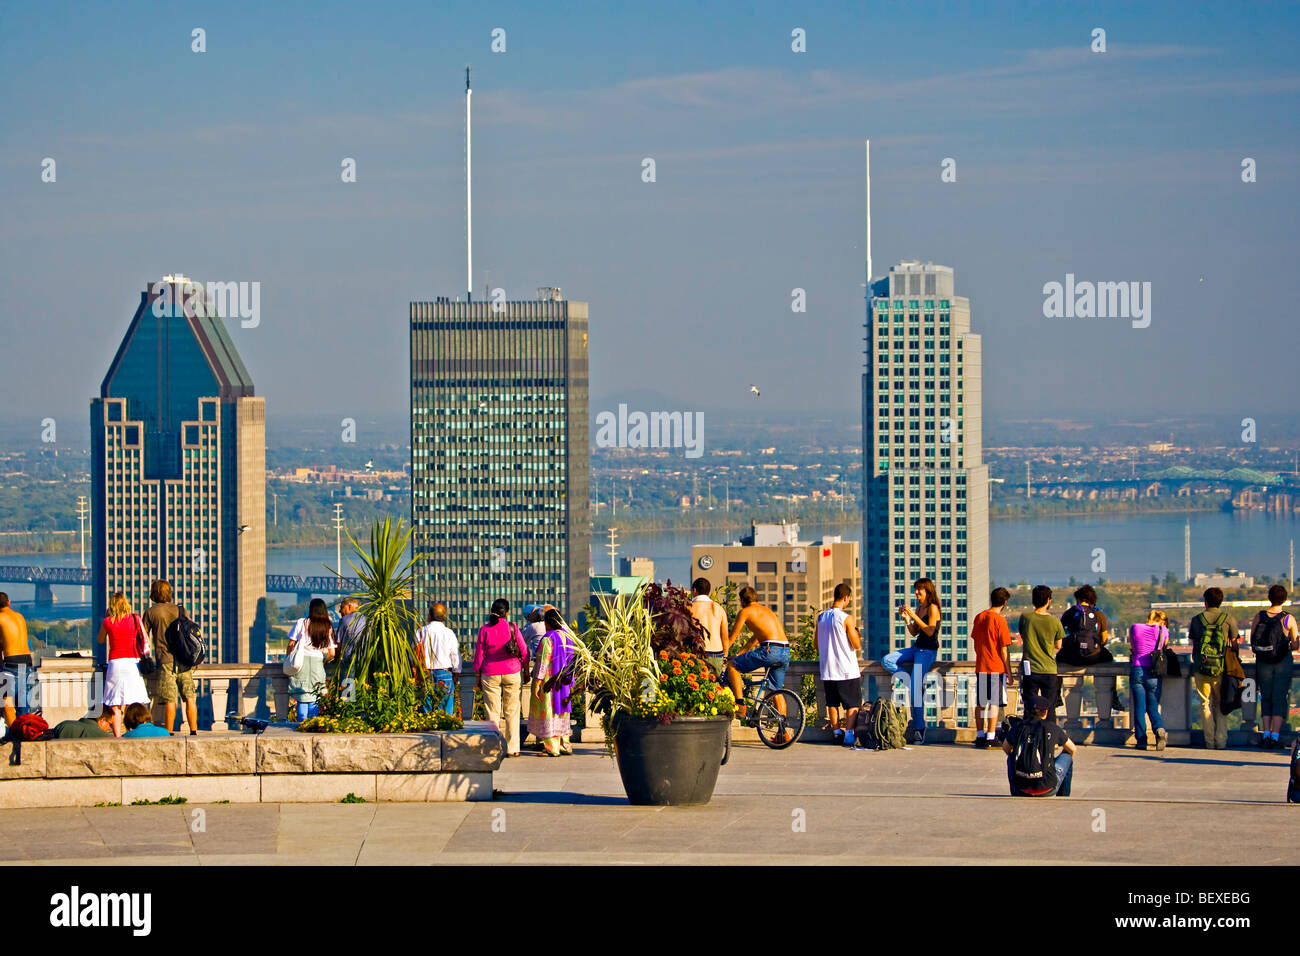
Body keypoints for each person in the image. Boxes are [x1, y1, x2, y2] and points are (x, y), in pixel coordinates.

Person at [881, 577, 942, 744]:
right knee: (887, 660)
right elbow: (914, 632)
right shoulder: (920, 608)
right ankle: (913, 681)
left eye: (919, 590)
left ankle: (919, 728)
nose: (916, 593)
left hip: (927, 651)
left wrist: (914, 615)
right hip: (916, 648)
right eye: (916, 590)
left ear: (927, 591)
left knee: (916, 690)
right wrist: (907, 619)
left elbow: (930, 631)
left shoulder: (933, 608)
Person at [724, 586, 792, 732]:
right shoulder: (766, 610)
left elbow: (731, 638)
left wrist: (723, 654)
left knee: (732, 666)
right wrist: (740, 653)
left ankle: (740, 705)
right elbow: (755, 638)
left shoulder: (745, 612)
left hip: (770, 649)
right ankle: (783, 733)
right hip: (785, 650)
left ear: (742, 600)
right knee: (776, 691)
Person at [141, 579, 197, 736]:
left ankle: (169, 732)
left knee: (170, 700)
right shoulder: (180, 610)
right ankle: (193, 730)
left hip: (165, 660)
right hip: (184, 660)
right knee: (190, 698)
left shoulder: (151, 612)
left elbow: (143, 637)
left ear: (154, 593)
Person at [474, 598, 528, 757]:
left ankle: (493, 747)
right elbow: (524, 651)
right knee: (512, 711)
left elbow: (479, 655)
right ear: (507, 612)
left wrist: (477, 674)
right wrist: (526, 671)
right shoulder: (513, 627)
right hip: (512, 671)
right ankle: (513, 748)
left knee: (492, 712)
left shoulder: (484, 629)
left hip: (490, 672)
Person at [1189, 587, 1239, 750]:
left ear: (1205, 601)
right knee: (1220, 703)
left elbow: (1195, 644)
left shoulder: (1197, 620)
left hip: (1201, 667)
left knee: (1205, 703)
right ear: (1221, 601)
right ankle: (1221, 740)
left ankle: (1209, 741)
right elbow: (1234, 644)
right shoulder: (1228, 619)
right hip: (1221, 668)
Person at [96, 592, 151, 737]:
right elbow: (145, 639)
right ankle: (137, 731)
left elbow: (100, 639)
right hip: (133, 663)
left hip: (115, 664)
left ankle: (117, 736)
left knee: (115, 703)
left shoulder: (108, 621)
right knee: (135, 701)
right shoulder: (135, 618)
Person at [1249, 584, 1298, 749]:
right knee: (1279, 698)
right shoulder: (1288, 618)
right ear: (1284, 599)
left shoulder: (1260, 616)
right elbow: (1295, 645)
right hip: (1283, 662)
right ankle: (1275, 737)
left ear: (1269, 597)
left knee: (1266, 697)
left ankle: (1266, 734)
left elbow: (1252, 641)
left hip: (1263, 662)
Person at [1003, 692, 1077, 797]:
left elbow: (1005, 748)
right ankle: (1063, 796)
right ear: (1045, 712)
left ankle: (1015, 791)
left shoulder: (1018, 727)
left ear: (1027, 711)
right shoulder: (1052, 727)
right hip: (1047, 788)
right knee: (1067, 757)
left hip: (1021, 789)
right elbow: (1072, 749)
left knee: (1011, 757)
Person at [815, 583, 862, 746]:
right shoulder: (846, 618)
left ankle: (836, 731)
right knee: (853, 703)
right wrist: (856, 633)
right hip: (846, 668)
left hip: (827, 669)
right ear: (846, 598)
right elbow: (856, 644)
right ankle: (849, 734)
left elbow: (816, 644)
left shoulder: (821, 617)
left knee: (832, 702)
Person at [528, 608, 576, 756]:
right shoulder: (568, 637)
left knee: (549, 712)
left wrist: (537, 683)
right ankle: (565, 744)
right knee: (562, 712)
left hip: (550, 681)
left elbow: (543, 663)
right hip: (564, 681)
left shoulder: (548, 639)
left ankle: (552, 748)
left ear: (548, 623)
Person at [971, 587, 1013, 748]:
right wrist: (1008, 672)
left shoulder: (979, 617)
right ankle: (991, 735)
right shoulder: (1000, 620)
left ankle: (980, 734)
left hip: (981, 665)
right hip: (996, 667)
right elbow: (1004, 648)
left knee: (981, 703)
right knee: (994, 703)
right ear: (1004, 602)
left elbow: (975, 640)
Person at [1018, 585, 1064, 724]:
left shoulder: (1026, 618)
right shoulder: (1055, 621)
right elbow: (1058, 645)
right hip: (1049, 669)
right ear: (1048, 600)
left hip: (1030, 669)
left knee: (1029, 705)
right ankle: (1049, 737)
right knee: (1049, 707)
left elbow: (1023, 636)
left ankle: (1028, 736)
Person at [287, 600, 336, 722]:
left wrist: (289, 658)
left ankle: (300, 724)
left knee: (302, 696)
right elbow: (332, 654)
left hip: (301, 662)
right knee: (315, 695)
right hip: (317, 663)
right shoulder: (327, 626)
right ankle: (312, 725)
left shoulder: (301, 623)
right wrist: (324, 662)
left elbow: (291, 644)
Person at [1128, 609, 1170, 751]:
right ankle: (1159, 729)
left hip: (1138, 668)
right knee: (1153, 707)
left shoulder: (1135, 628)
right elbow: (1163, 648)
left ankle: (1141, 741)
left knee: (1139, 707)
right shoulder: (1163, 630)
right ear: (1162, 621)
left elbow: (1133, 649)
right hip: (1154, 671)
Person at [415, 602, 461, 716]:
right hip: (444, 673)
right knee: (445, 712)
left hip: (425, 673)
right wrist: (456, 673)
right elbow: (455, 655)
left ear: (429, 616)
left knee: (426, 711)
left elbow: (414, 653)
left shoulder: (421, 631)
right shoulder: (449, 633)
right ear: (443, 617)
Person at [0, 592, 37, 730]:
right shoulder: (20, 617)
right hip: (27, 662)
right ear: (9, 602)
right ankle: (24, 735)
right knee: (23, 704)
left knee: (7, 703)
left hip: (11, 663)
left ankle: (15, 736)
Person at [1057, 585, 1115, 666]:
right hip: (1093, 657)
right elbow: (1104, 639)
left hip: (1073, 657)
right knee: (1108, 657)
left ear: (1077, 598)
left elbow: (1060, 636)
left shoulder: (1069, 613)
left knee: (1059, 657)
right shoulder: (1098, 614)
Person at [689, 578, 730, 677]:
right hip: (717, 653)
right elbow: (725, 636)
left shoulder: (689, 607)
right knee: (714, 688)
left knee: (697, 687)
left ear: (694, 590)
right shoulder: (719, 608)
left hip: (699, 652)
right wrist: (725, 656)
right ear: (708, 591)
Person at [333, 597, 365, 675]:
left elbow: (338, 644)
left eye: (342, 607)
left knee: (346, 683)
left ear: (350, 606)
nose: (340, 611)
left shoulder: (344, 620)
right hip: (363, 659)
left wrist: (336, 659)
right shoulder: (366, 619)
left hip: (347, 659)